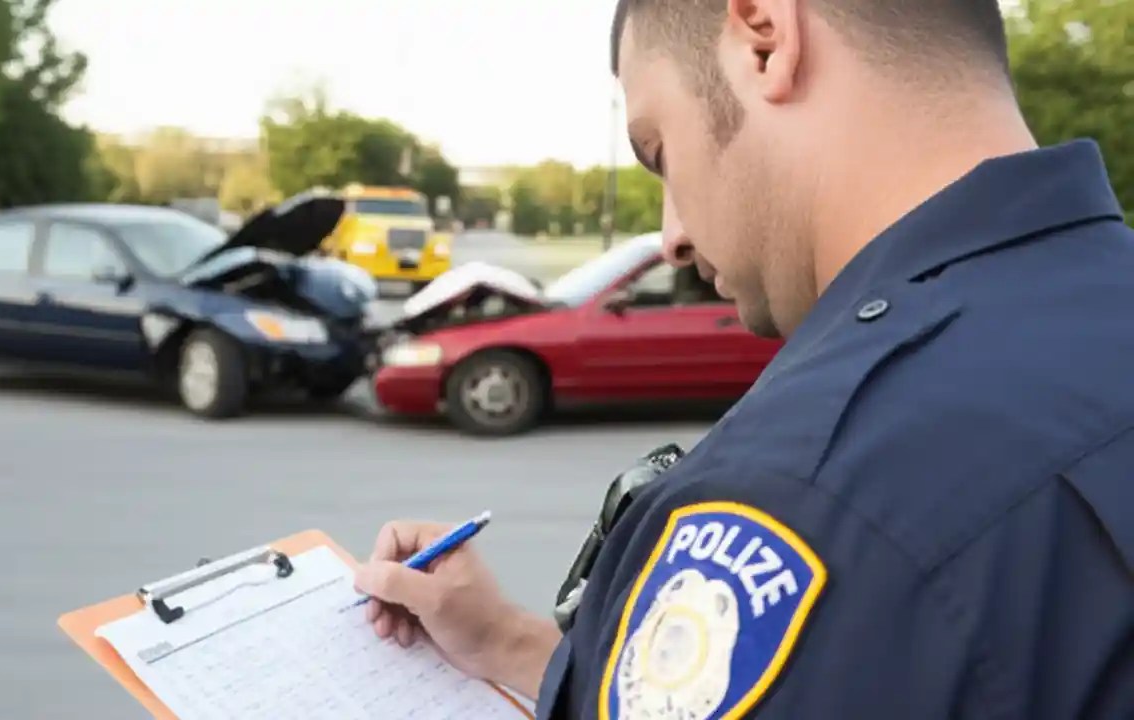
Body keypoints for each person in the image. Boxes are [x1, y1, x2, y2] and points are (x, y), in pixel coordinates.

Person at [353, 0, 1134, 717]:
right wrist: (509, 645)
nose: (672, 238)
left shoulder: (806, 491)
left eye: (659, 150)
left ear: (765, 40)